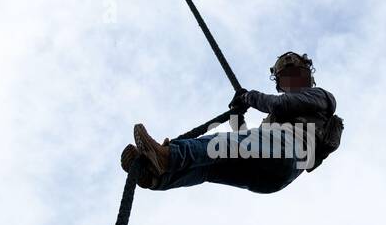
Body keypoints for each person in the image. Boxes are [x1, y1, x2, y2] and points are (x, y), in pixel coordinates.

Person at [121, 51, 337, 193]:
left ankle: (168, 157)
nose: (290, 80)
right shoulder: (274, 123)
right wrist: (237, 113)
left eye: (295, 74)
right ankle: (156, 178)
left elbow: (280, 105)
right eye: (285, 77)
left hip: (289, 151)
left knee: (219, 144)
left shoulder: (320, 96)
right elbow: (243, 139)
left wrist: (248, 97)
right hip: (275, 175)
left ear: (306, 76)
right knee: (211, 167)